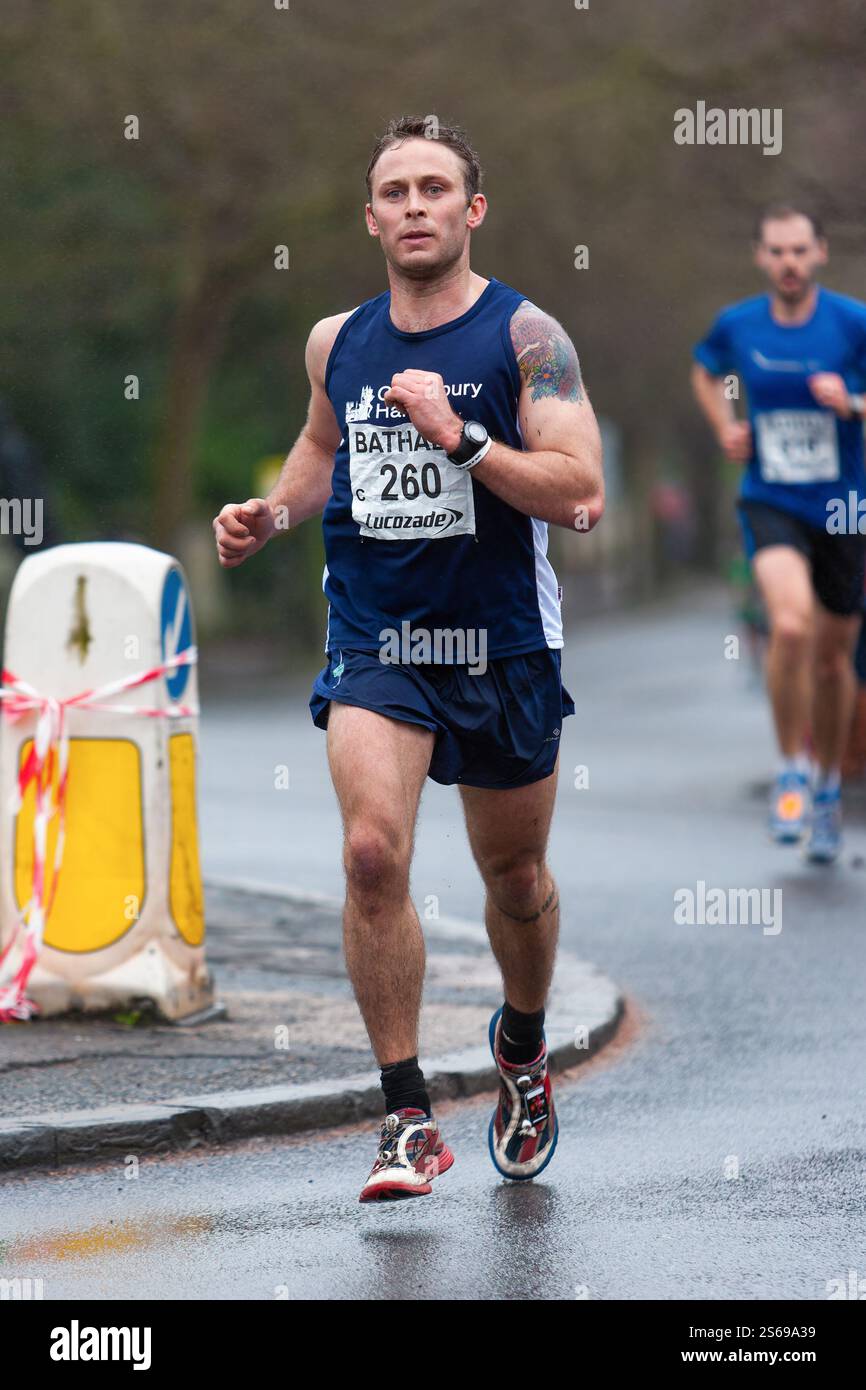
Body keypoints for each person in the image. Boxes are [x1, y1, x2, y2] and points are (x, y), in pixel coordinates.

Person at [213, 116, 603, 1200]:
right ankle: (404, 1117)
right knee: (370, 856)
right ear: (371, 217)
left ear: (471, 211)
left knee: (512, 880)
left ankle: (520, 1048)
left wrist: (464, 441)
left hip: (501, 644)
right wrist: (272, 513)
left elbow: (579, 492)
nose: (415, 205)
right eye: (395, 190)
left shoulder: (527, 337)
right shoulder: (336, 342)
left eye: (436, 187)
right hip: (377, 638)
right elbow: (321, 444)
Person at [692, 205, 866, 862]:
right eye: (777, 251)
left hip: (846, 510)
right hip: (770, 498)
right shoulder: (739, 324)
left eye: (800, 250)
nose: (789, 263)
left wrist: (849, 402)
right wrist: (725, 427)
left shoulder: (852, 322)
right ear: (761, 257)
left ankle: (826, 787)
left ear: (819, 252)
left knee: (833, 660)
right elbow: (706, 372)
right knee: (790, 627)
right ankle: (791, 769)